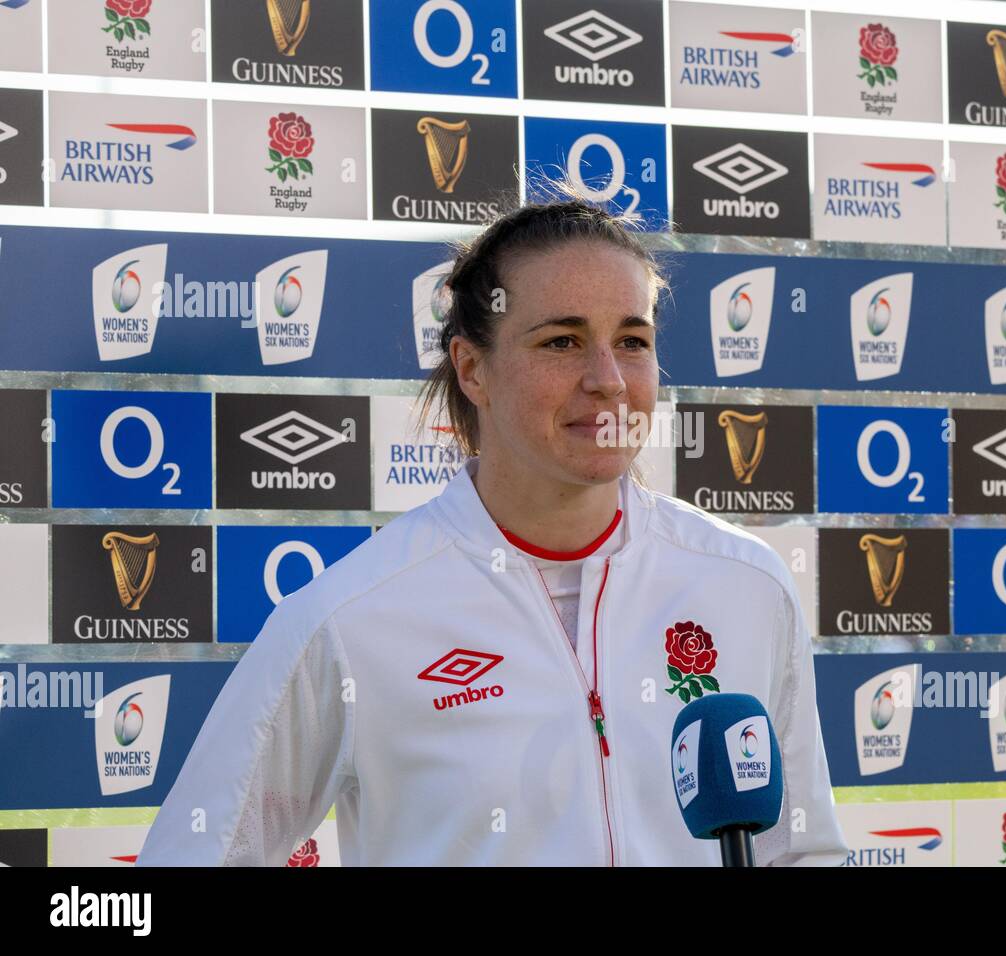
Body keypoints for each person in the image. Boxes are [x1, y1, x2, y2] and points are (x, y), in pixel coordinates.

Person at [136, 196, 848, 866]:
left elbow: (802, 849)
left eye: (631, 340)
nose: (607, 379)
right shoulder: (351, 617)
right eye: (563, 341)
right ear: (472, 369)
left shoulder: (746, 583)